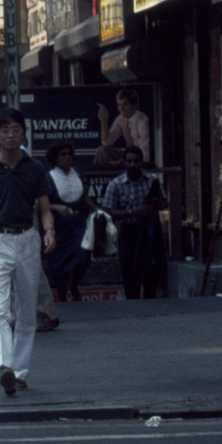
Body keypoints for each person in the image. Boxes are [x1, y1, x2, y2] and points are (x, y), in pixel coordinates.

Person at [0, 106, 56, 397]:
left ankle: (20, 371)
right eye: (4, 130)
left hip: (26, 239)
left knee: (27, 310)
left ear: (23, 133)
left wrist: (49, 230)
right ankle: (4, 367)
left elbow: (44, 208)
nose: (11, 135)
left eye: (16, 129)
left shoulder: (35, 168)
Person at [102, 145, 167, 300]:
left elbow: (164, 202)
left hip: (149, 233)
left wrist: (156, 204)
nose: (133, 165)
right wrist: (133, 212)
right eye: (129, 161)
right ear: (124, 163)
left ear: (141, 162)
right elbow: (108, 211)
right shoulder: (116, 184)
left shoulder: (152, 180)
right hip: (128, 232)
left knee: (151, 273)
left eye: (136, 161)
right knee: (130, 275)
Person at [42, 142, 93, 302]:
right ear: (55, 158)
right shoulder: (48, 177)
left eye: (70, 154)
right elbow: (39, 203)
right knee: (60, 263)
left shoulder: (78, 173)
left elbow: (85, 196)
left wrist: (97, 209)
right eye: (63, 154)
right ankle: (63, 295)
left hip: (78, 222)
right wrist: (56, 207)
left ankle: (74, 284)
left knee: (83, 255)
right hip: (59, 224)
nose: (67, 157)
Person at [96, 86, 151, 165]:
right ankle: (102, 176)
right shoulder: (121, 118)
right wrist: (104, 121)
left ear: (134, 105)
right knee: (102, 151)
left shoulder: (143, 121)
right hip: (127, 154)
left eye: (125, 105)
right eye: (119, 105)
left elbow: (146, 152)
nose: (121, 109)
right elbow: (107, 142)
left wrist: (129, 162)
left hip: (139, 158)